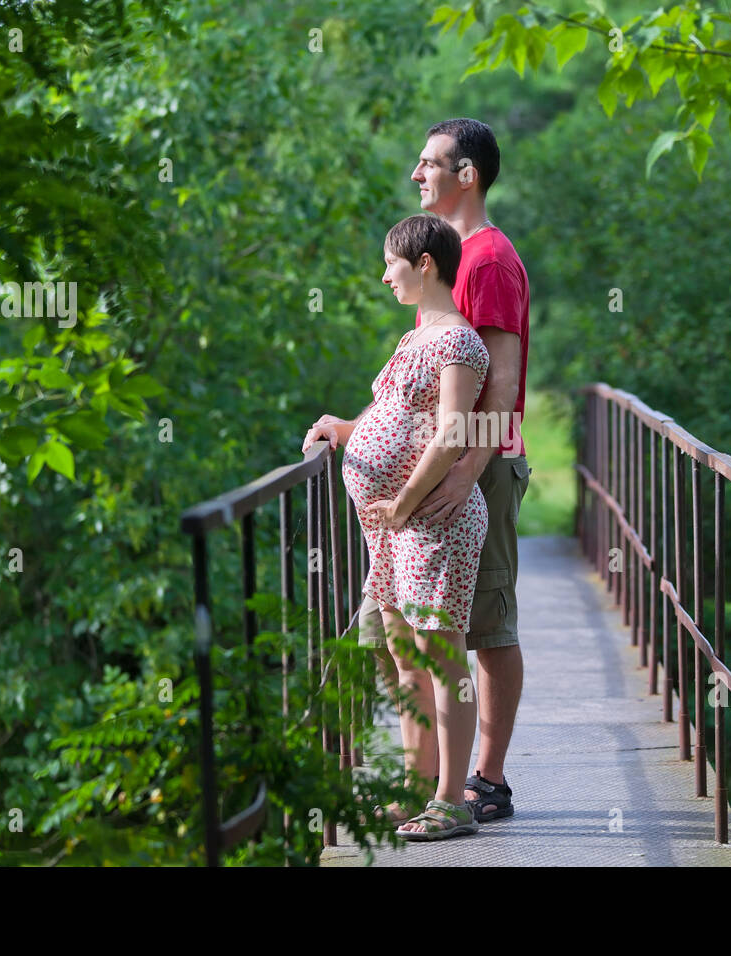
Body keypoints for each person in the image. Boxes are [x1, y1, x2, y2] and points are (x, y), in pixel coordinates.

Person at [308, 118, 530, 824]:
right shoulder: (444, 272)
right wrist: (351, 433)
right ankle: (422, 785)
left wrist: (462, 474)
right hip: (413, 501)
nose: (416, 173)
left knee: (479, 629)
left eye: (429, 163)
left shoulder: (486, 258)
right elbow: (411, 400)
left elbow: (497, 384)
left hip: (468, 477)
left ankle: (478, 785)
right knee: (407, 646)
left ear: (466, 174)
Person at [304, 213, 489, 840]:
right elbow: (396, 419)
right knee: (405, 660)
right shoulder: (416, 338)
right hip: (390, 530)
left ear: (425, 264)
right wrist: (344, 429)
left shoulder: (459, 343)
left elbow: (451, 432)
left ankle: (451, 800)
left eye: (392, 264)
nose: (385, 276)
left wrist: (404, 503)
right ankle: (415, 790)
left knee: (442, 658)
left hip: (432, 524)